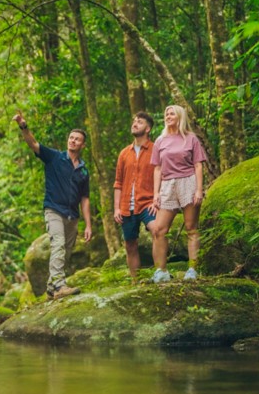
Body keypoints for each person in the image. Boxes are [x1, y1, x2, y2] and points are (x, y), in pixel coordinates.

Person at [13, 111, 93, 299]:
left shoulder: (83, 170)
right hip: (53, 209)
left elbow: (85, 198)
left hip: (72, 215)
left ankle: (51, 287)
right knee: (57, 244)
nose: (73, 141)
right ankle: (59, 286)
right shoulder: (54, 157)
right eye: (71, 138)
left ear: (83, 145)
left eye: (77, 139)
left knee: (65, 252)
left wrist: (88, 224)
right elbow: (33, 143)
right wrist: (23, 126)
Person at [148, 105, 208, 283]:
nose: (168, 116)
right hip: (167, 185)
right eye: (166, 113)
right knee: (159, 229)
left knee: (191, 228)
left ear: (180, 116)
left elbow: (198, 165)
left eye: (171, 113)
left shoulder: (191, 138)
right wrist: (156, 194)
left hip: (188, 182)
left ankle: (192, 269)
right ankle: (161, 271)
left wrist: (198, 190)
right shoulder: (160, 140)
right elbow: (157, 169)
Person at [112, 111, 157, 283]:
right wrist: (117, 208)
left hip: (148, 203)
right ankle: (136, 281)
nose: (135, 123)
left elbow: (162, 175)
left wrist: (157, 199)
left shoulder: (155, 149)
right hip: (126, 206)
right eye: (134, 121)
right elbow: (118, 183)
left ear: (148, 128)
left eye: (139, 122)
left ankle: (161, 272)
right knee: (130, 244)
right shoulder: (124, 153)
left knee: (157, 231)